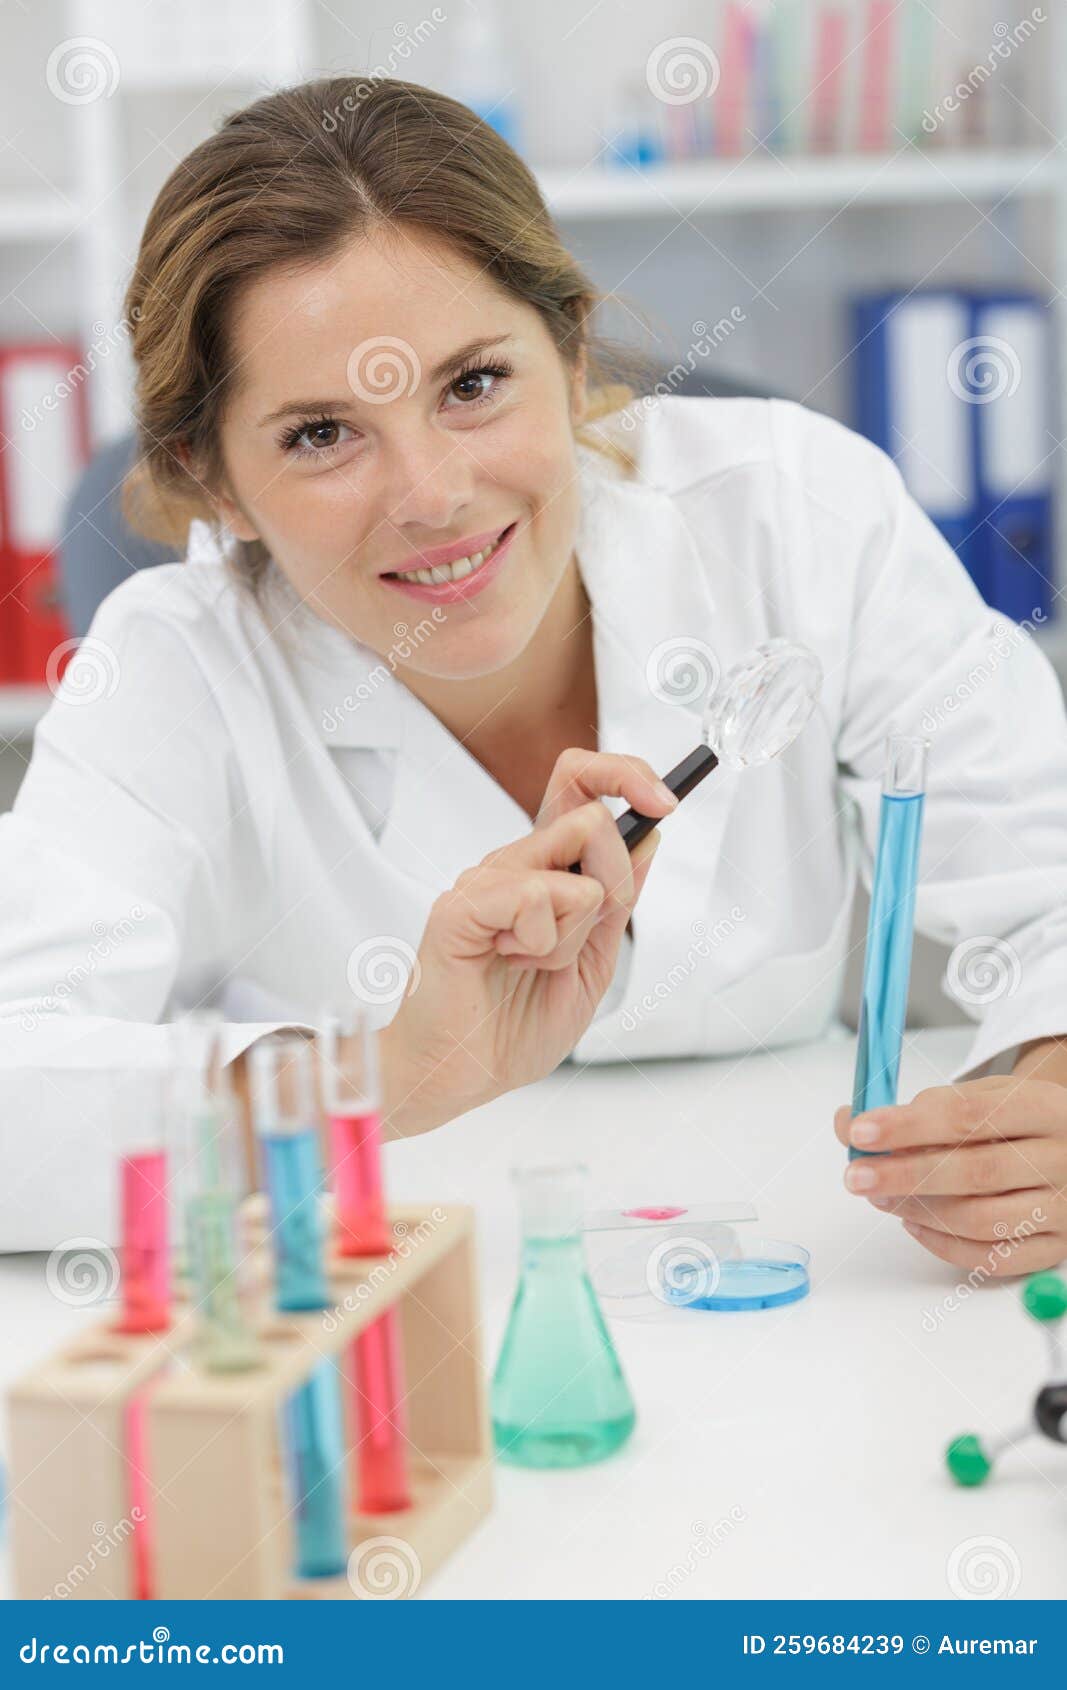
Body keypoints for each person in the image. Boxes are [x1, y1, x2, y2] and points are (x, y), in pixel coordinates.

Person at [2, 76, 1067, 1271]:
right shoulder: (171, 669)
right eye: (319, 433)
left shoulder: (795, 511)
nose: (432, 496)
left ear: (567, 354)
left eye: (472, 384)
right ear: (213, 480)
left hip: (803, 1270)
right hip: (401, 1307)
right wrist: (384, 1073)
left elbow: (1047, 870)